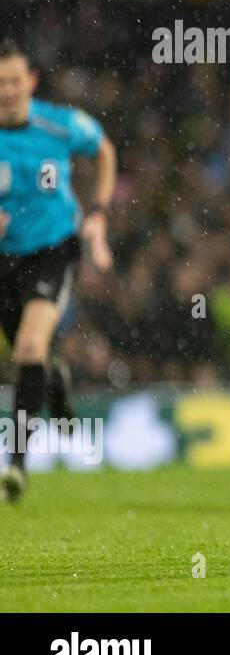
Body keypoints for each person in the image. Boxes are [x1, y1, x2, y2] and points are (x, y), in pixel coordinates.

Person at [0, 38, 116, 501]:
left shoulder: (61, 124)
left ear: (30, 82)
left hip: (53, 249)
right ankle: (57, 386)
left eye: (13, 81)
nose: (6, 90)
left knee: (29, 345)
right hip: (3, 259)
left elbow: (104, 150)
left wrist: (100, 214)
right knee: (30, 357)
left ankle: (17, 466)